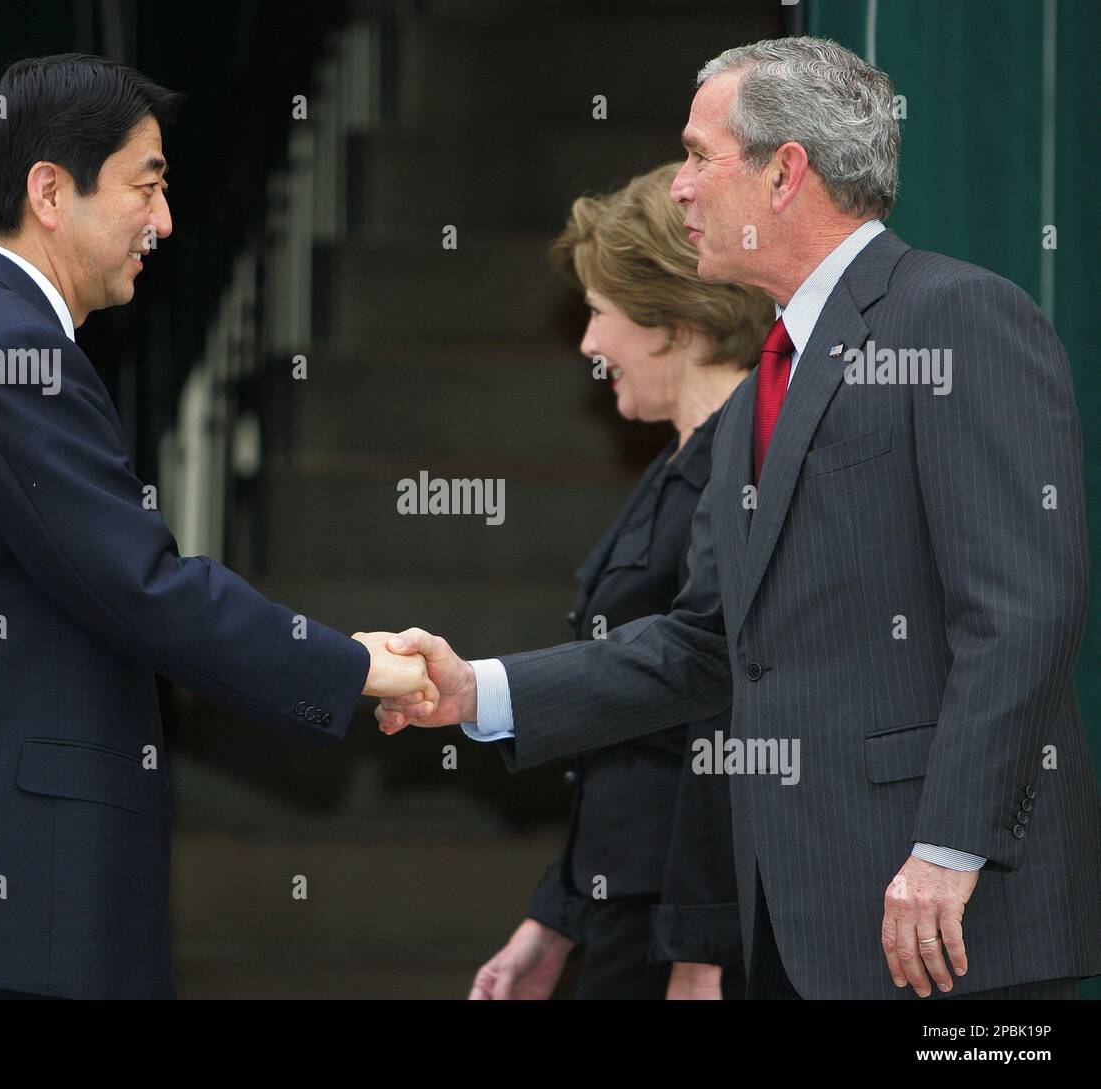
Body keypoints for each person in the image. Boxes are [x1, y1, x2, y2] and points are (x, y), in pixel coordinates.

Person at [372, 36, 1101, 1000]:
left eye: (697, 155)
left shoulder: (959, 316)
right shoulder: (772, 370)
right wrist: (481, 693)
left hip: (950, 932)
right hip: (797, 935)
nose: (677, 188)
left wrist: (949, 847)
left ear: (785, 171)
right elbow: (707, 645)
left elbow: (1021, 613)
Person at [0, 53, 433, 1001]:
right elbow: (142, 587)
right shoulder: (6, 351)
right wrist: (354, 666)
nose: (165, 222)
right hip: (15, 925)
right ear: (49, 191)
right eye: (146, 186)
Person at [471, 162, 767, 1000]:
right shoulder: (677, 459)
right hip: (632, 910)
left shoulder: (742, 460)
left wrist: (705, 952)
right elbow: (629, 738)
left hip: (680, 925)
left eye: (600, 314)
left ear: (675, 323)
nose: (589, 345)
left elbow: (726, 714)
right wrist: (557, 914)